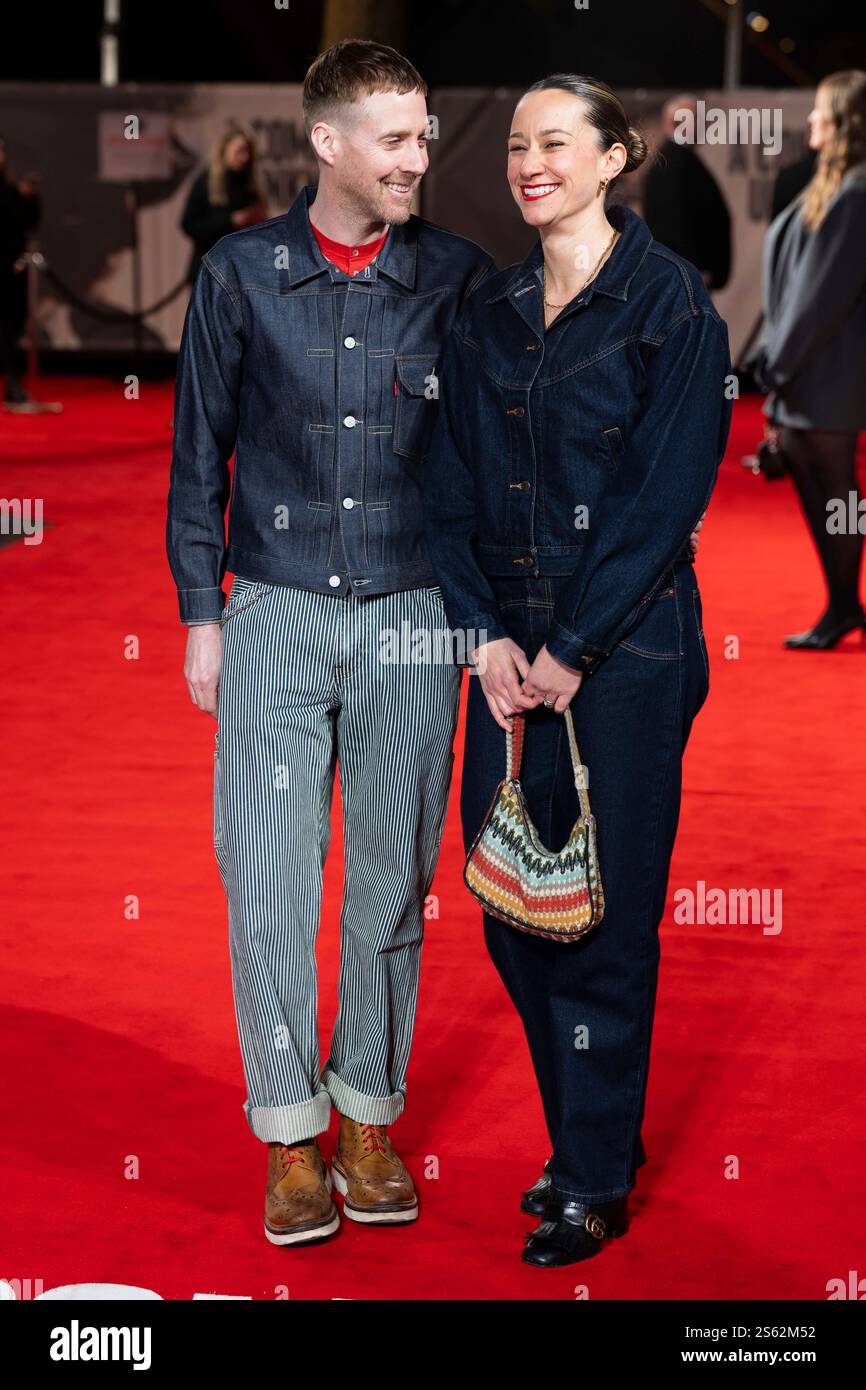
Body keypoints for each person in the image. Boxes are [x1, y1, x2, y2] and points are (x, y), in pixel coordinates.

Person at [166, 40, 494, 1247]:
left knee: (390, 884)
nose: (419, 157)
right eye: (397, 139)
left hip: (414, 615)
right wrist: (202, 615)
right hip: (276, 608)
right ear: (329, 145)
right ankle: (289, 1136)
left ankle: (367, 1115)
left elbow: (488, 458)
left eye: (422, 135)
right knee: (265, 885)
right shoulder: (239, 274)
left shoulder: (455, 276)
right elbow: (198, 451)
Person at [424, 73, 733, 1267]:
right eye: (515, 144)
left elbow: (662, 506)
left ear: (613, 160)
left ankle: (590, 1172)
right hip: (503, 657)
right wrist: (483, 635)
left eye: (555, 142)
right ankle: (588, 1136)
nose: (528, 161)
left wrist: (570, 650)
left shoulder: (672, 310)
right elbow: (447, 487)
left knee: (602, 925)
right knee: (508, 907)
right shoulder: (487, 310)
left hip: (628, 655)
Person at [749, 71, 866, 650]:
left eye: (822, 111)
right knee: (822, 485)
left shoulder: (855, 192)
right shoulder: (835, 184)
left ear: (844, 122)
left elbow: (821, 299)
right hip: (811, 368)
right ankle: (843, 605)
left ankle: (844, 607)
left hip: (827, 371)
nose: (812, 119)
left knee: (837, 493)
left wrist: (774, 364)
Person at [642, 93, 731, 292]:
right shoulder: (672, 164)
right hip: (685, 280)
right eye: (698, 121)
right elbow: (671, 225)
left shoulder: (681, 161)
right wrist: (692, 270)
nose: (704, 127)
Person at [179, 126, 269, 285]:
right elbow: (188, 224)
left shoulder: (250, 186)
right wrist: (230, 220)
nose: (244, 158)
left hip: (243, 271)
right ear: (225, 150)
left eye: (248, 152)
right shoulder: (206, 183)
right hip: (208, 269)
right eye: (239, 151)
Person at [0, 135, 41, 406]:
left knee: (11, 329)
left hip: (10, 271)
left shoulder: (11, 190)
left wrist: (30, 199)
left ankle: (13, 383)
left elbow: (27, 223)